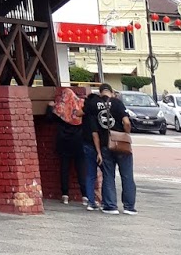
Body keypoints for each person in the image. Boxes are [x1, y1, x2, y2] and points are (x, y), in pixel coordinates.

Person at [82, 81, 135, 214]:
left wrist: (98, 151)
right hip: (121, 144)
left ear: (100, 93)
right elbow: (126, 122)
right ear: (111, 92)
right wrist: (126, 133)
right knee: (127, 176)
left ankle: (111, 206)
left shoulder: (94, 105)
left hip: (105, 145)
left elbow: (94, 132)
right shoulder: (117, 103)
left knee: (108, 175)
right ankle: (129, 207)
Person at [50, 85, 86, 204]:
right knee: (81, 168)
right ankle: (85, 195)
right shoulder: (80, 106)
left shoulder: (60, 108)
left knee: (64, 168)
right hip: (78, 141)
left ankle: (65, 194)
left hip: (64, 142)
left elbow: (49, 118)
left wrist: (50, 107)